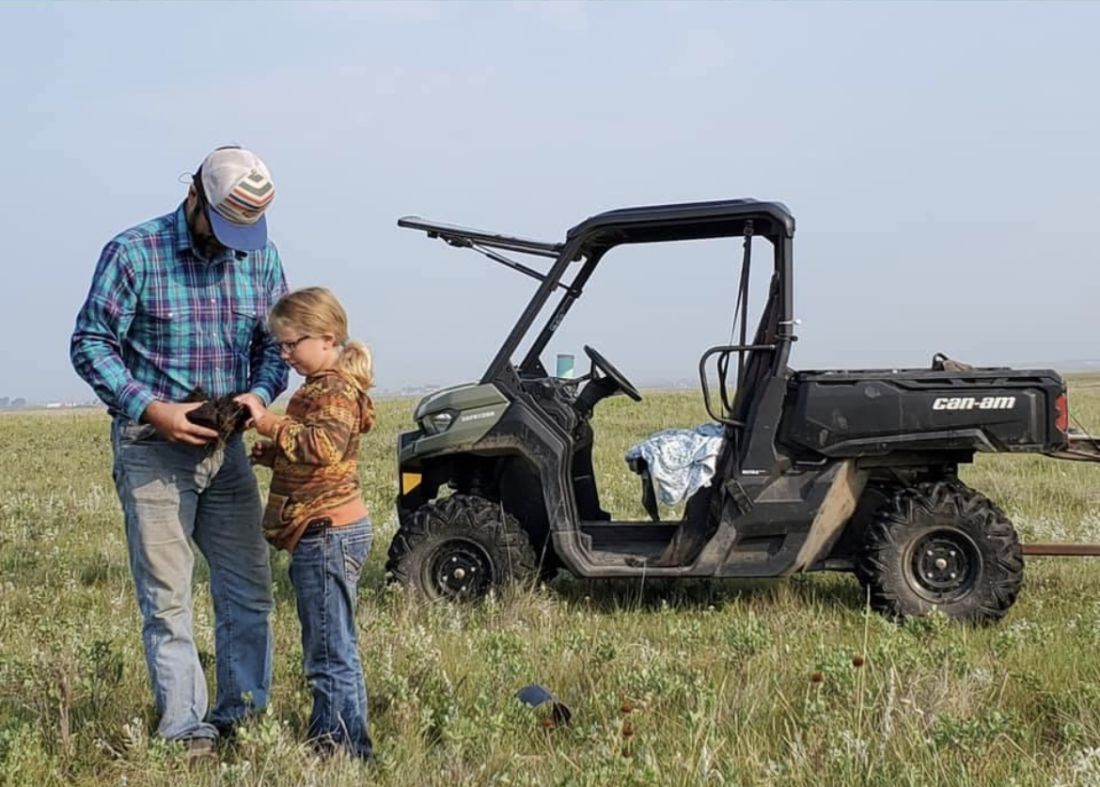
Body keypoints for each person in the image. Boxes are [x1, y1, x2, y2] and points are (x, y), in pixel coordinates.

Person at [69, 146, 289, 759]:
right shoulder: (133, 253)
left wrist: (260, 392)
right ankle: (187, 730)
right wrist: (152, 408)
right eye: (222, 229)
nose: (230, 245)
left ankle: (242, 716)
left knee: (249, 592)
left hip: (229, 450)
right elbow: (90, 343)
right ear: (195, 196)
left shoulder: (261, 256)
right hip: (153, 449)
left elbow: (276, 347)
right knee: (168, 599)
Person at [239, 286, 376, 761]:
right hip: (327, 530)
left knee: (327, 653)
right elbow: (316, 457)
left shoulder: (334, 388)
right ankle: (346, 743)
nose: (285, 354)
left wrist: (270, 424)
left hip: (327, 532)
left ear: (327, 337)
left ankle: (337, 749)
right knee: (336, 645)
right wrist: (276, 455)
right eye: (280, 345)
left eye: (291, 344)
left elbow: (324, 447)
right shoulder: (322, 387)